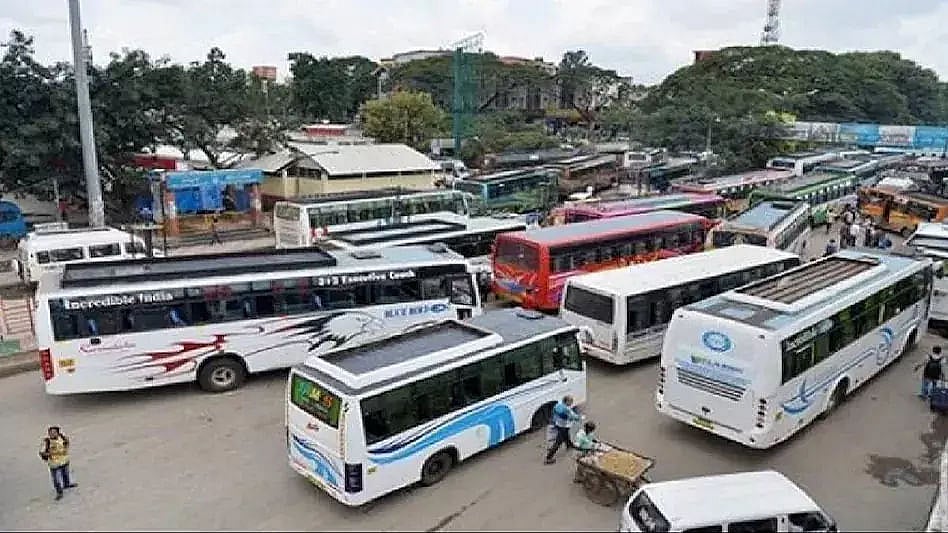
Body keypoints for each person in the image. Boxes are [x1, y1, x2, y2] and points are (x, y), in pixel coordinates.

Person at [39, 426, 76, 500]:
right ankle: (59, 492)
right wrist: (47, 454)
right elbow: (41, 452)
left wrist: (65, 448)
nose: (52, 434)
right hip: (54, 463)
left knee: (65, 473)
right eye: (50, 433)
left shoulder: (62, 438)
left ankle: (66, 484)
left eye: (54, 432)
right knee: (56, 479)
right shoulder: (47, 442)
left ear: (58, 433)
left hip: (64, 460)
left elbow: (67, 443)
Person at [544, 395, 581, 464]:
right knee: (558, 442)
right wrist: (579, 417)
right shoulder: (566, 409)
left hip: (558, 424)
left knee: (566, 435)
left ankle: (569, 445)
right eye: (570, 402)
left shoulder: (557, 405)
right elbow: (573, 417)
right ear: (566, 401)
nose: (571, 403)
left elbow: (553, 414)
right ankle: (548, 457)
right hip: (563, 426)